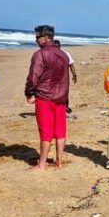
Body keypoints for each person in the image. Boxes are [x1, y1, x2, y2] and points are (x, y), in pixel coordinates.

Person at [25, 25, 70, 171]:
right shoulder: (63, 55)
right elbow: (66, 78)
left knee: (46, 131)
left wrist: (29, 92)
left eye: (37, 37)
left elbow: (33, 77)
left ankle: (42, 164)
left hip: (45, 96)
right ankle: (59, 160)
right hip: (61, 97)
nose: (36, 39)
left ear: (46, 37)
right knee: (60, 130)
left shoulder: (40, 54)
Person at [54, 40, 77, 113]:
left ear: (60, 46)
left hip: (64, 77)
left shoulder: (66, 54)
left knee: (65, 92)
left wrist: (74, 75)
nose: (57, 48)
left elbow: (71, 65)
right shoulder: (51, 54)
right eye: (55, 47)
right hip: (53, 78)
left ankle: (66, 106)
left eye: (58, 46)